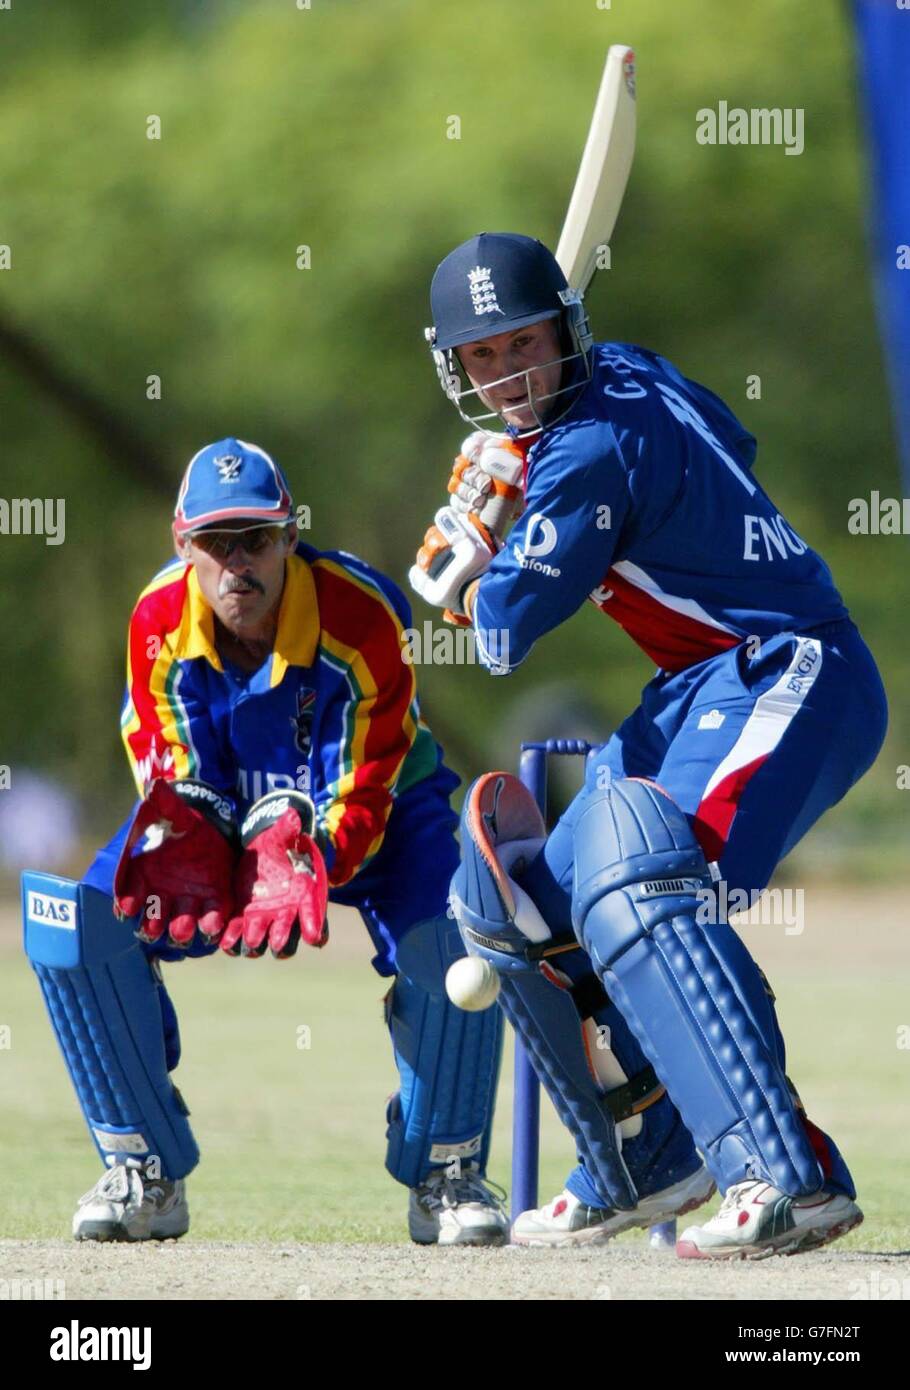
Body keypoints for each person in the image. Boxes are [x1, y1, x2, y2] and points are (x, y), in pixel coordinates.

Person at [410, 233, 888, 1257]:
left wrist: (469, 541)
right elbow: (735, 439)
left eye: (526, 343)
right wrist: (521, 469)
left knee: (639, 883)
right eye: (485, 357)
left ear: (563, 329)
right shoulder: (623, 369)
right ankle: (645, 1158)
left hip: (785, 665)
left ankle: (779, 1172)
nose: (512, 374)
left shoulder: (587, 448)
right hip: (696, 685)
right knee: (514, 890)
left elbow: (498, 633)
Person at [27, 438, 507, 1247]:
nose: (235, 563)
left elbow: (363, 786)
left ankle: (447, 1174)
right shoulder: (156, 621)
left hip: (376, 810)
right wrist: (195, 839)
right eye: (215, 544)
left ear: (290, 537)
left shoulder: (360, 613)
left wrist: (309, 860)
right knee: (78, 930)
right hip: (221, 808)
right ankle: (142, 1169)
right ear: (183, 547)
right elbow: (170, 772)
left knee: (454, 948)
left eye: (255, 539)